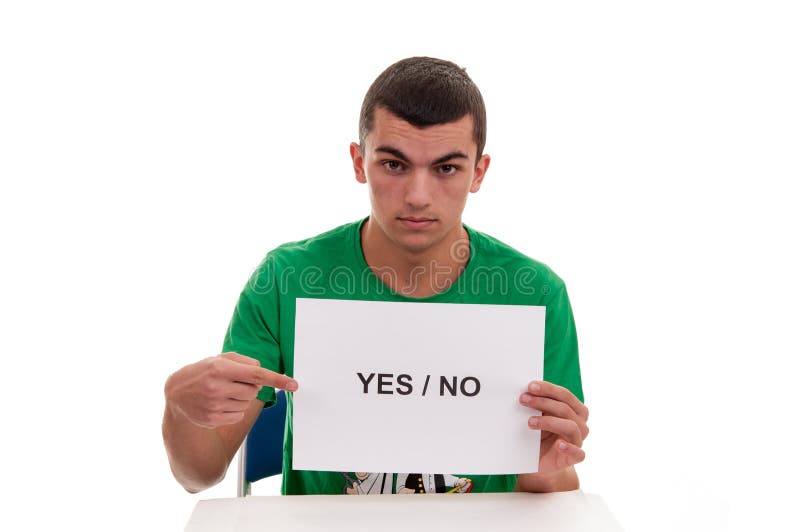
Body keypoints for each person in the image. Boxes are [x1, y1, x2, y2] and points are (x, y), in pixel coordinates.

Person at [162, 56, 589, 496]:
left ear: (477, 172)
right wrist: (180, 405)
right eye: (394, 164)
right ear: (358, 161)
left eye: (446, 168)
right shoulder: (286, 279)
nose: (418, 196)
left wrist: (544, 466)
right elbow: (200, 473)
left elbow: (552, 486)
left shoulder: (535, 294)